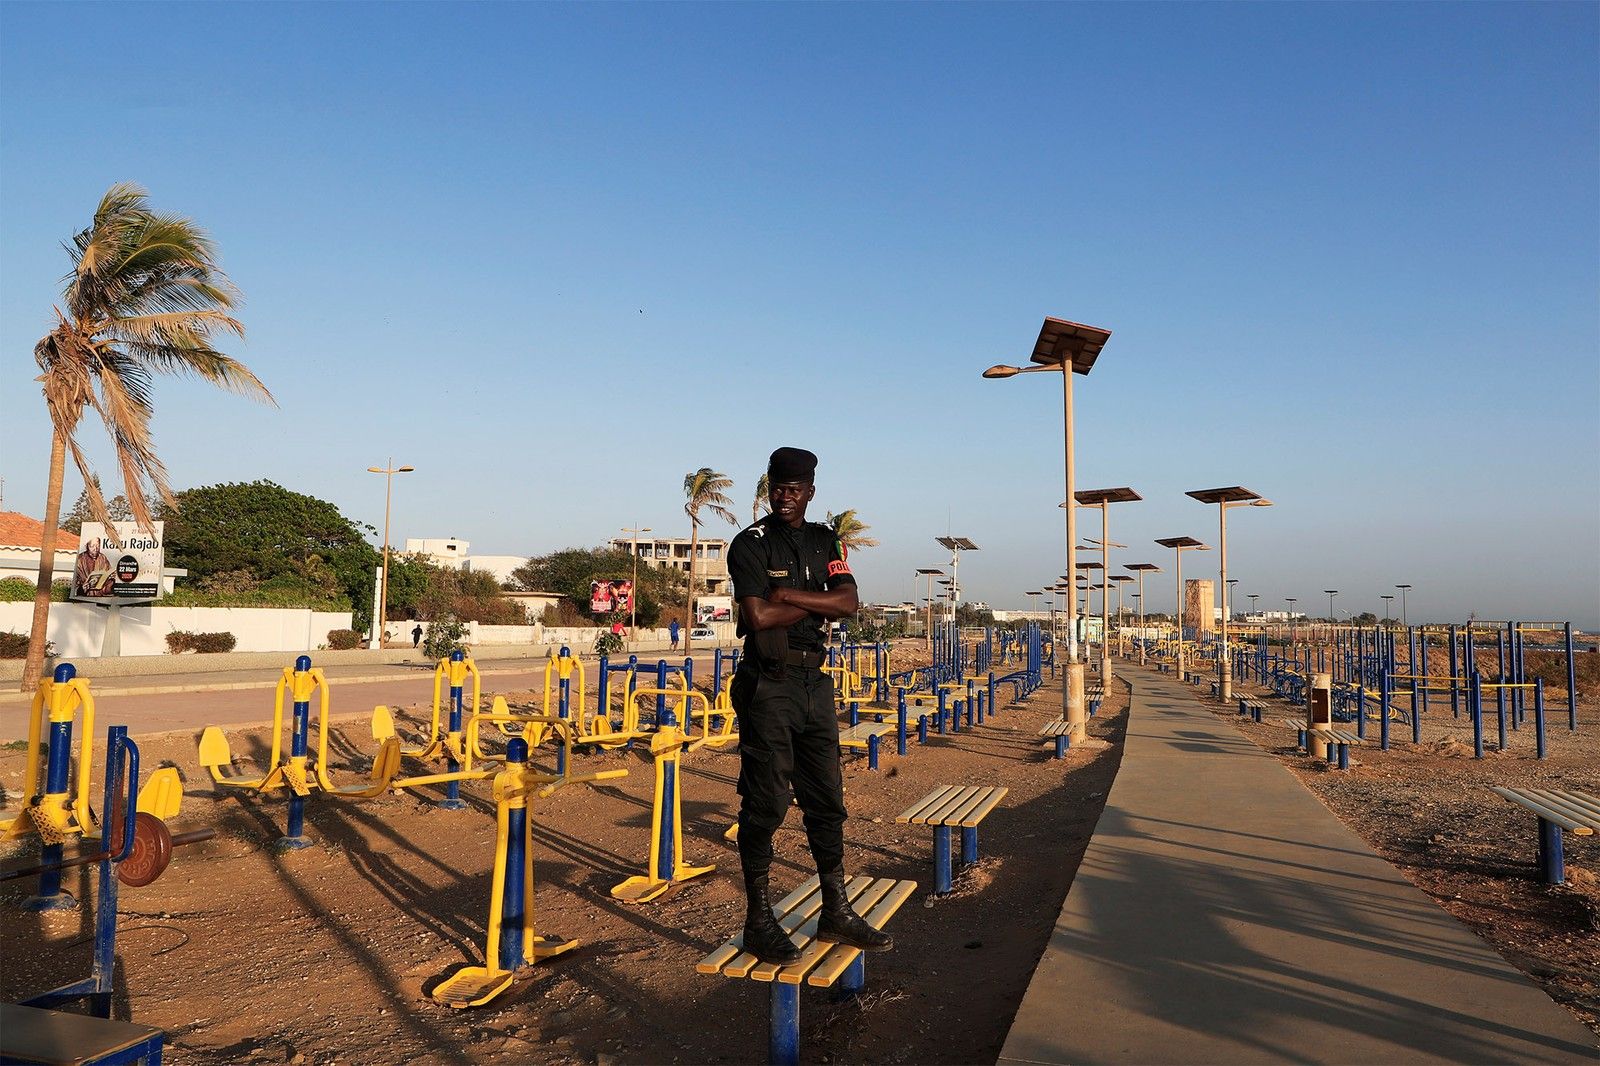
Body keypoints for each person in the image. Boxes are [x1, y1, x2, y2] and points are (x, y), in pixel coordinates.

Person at [724, 446, 890, 963]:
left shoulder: (826, 540)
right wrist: (811, 599)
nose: (785, 497)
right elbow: (755, 619)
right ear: (769, 487)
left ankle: (834, 910)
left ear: (811, 492)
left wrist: (788, 598)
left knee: (827, 800)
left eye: (794, 490)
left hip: (814, 687)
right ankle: (757, 919)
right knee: (767, 802)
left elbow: (849, 602)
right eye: (777, 488)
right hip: (767, 685)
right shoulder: (749, 543)